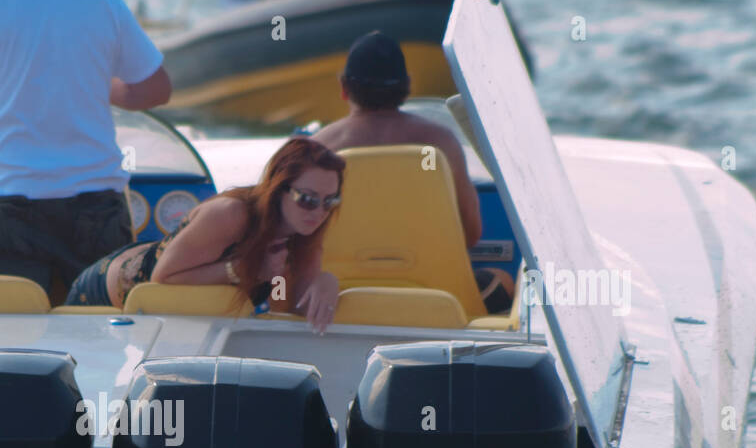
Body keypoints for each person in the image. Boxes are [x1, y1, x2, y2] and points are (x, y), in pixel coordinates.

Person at [0, 0, 172, 298]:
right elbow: (155, 89)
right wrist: (98, 89)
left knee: (8, 326)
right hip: (95, 209)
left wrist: (1, 117)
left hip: (7, 208)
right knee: (98, 325)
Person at [312, 31, 514, 313]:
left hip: (338, 303)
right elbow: (471, 235)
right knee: (504, 280)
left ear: (344, 88)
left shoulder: (315, 150)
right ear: (407, 86)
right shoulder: (441, 143)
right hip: (439, 301)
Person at [65, 137, 345, 332]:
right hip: (104, 295)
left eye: (330, 201)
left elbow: (287, 305)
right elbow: (163, 277)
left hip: (167, 319)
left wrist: (325, 282)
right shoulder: (232, 215)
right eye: (308, 199)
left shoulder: (303, 234)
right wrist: (242, 270)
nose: (319, 211)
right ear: (279, 189)